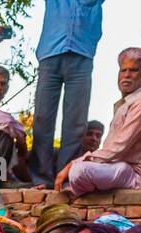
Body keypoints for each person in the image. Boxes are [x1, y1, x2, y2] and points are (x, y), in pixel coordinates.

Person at [56, 49, 141, 196]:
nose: (127, 75)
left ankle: (78, 185)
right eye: (123, 70)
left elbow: (118, 148)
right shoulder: (123, 104)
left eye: (134, 70)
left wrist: (72, 164)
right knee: (78, 172)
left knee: (79, 171)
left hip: (134, 173)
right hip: (116, 167)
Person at [29, 0, 106, 186]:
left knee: (76, 123)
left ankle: (65, 178)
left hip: (82, 55)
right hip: (50, 53)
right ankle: (40, 178)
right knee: (42, 119)